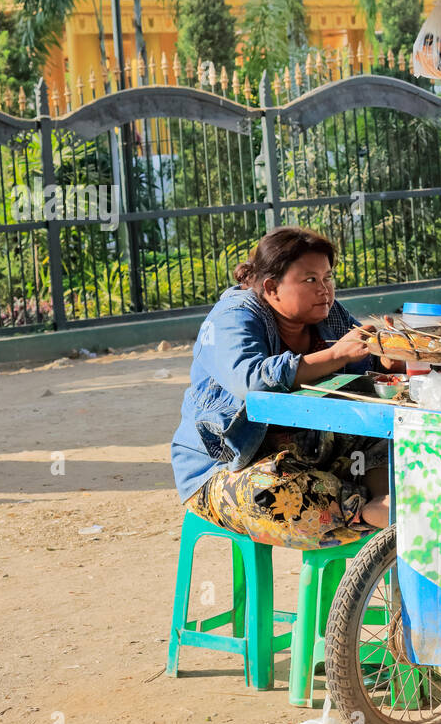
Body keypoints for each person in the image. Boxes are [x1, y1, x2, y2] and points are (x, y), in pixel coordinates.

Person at [171, 226, 399, 549]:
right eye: (310, 280)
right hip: (230, 466)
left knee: (391, 431)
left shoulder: (328, 315)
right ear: (271, 287)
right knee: (271, 494)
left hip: (305, 452)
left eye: (328, 278)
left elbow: (364, 365)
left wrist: (387, 357)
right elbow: (252, 379)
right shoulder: (234, 315)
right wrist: (335, 354)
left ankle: (384, 502)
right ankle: (364, 511)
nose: (324, 289)